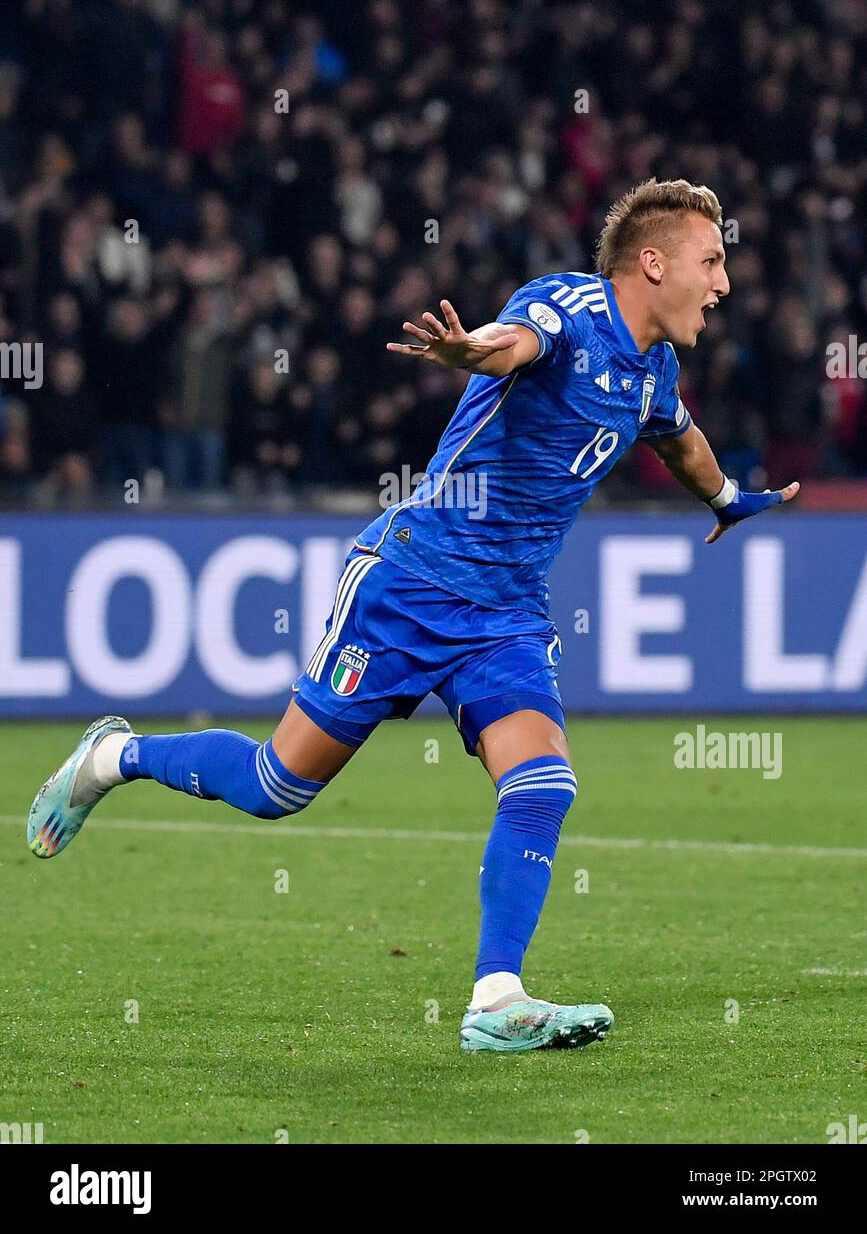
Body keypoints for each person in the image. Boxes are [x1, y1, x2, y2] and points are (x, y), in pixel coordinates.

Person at [27, 179, 798, 1054]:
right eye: (711, 261)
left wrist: (727, 498)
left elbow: (679, 438)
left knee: (543, 782)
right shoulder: (568, 308)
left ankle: (494, 999)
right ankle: (112, 757)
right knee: (276, 787)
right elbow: (516, 344)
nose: (724, 282)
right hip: (408, 586)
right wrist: (471, 350)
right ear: (652, 264)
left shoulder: (652, 369)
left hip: (505, 612)